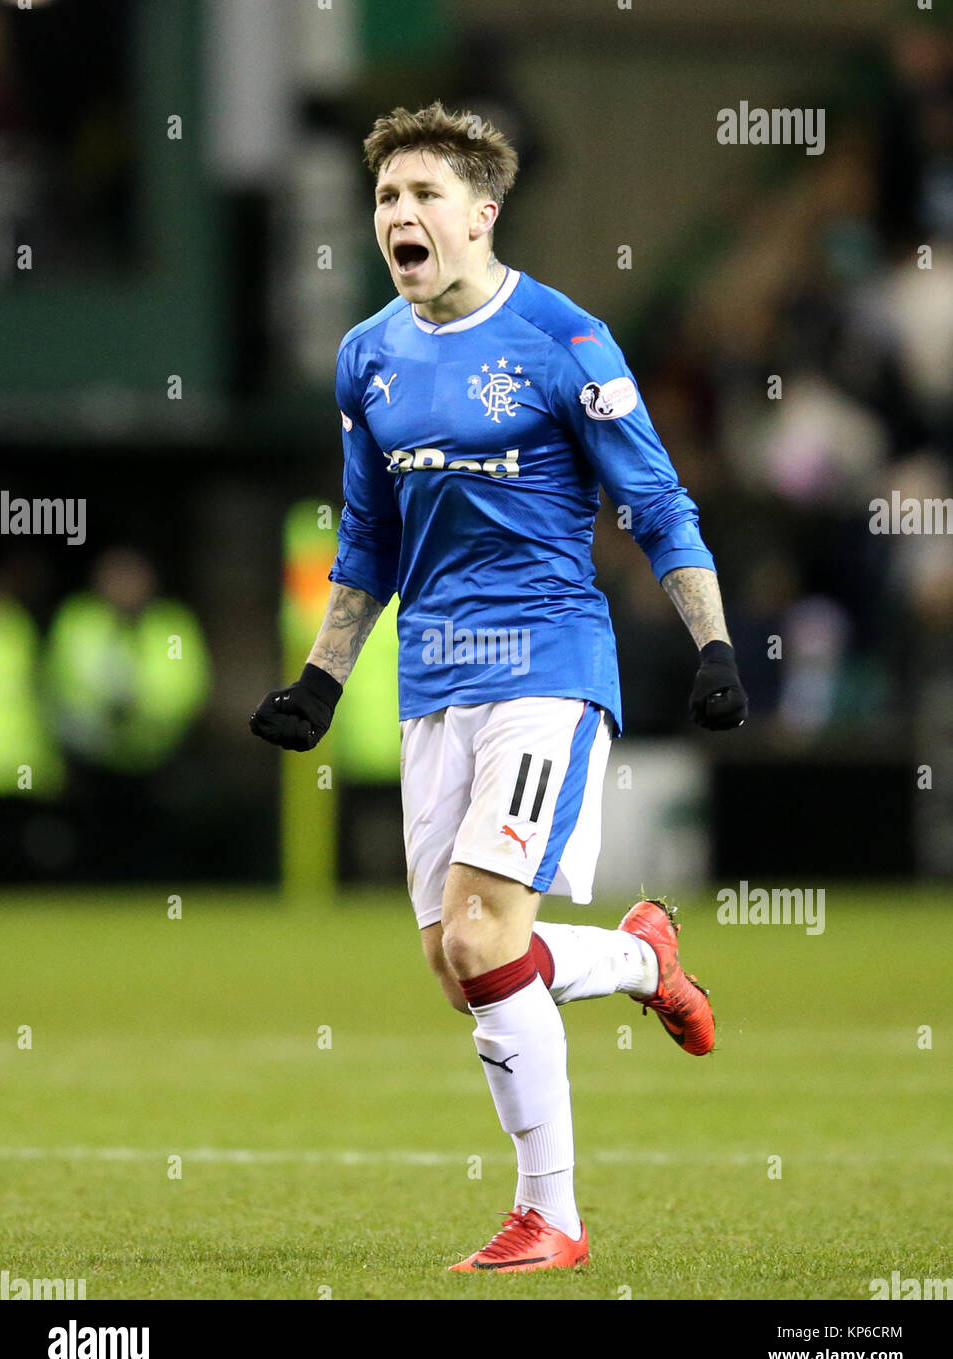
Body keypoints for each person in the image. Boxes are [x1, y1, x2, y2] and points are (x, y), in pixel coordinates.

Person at [250, 101, 747, 1273]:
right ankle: (639, 959)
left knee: (482, 938)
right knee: (460, 962)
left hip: (547, 666)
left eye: (423, 196)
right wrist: (322, 681)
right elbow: (367, 537)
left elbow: (659, 503)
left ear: (482, 215)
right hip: (433, 682)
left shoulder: (565, 339)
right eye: (384, 198)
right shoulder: (365, 355)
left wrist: (717, 645)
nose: (399, 216)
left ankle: (552, 1218)